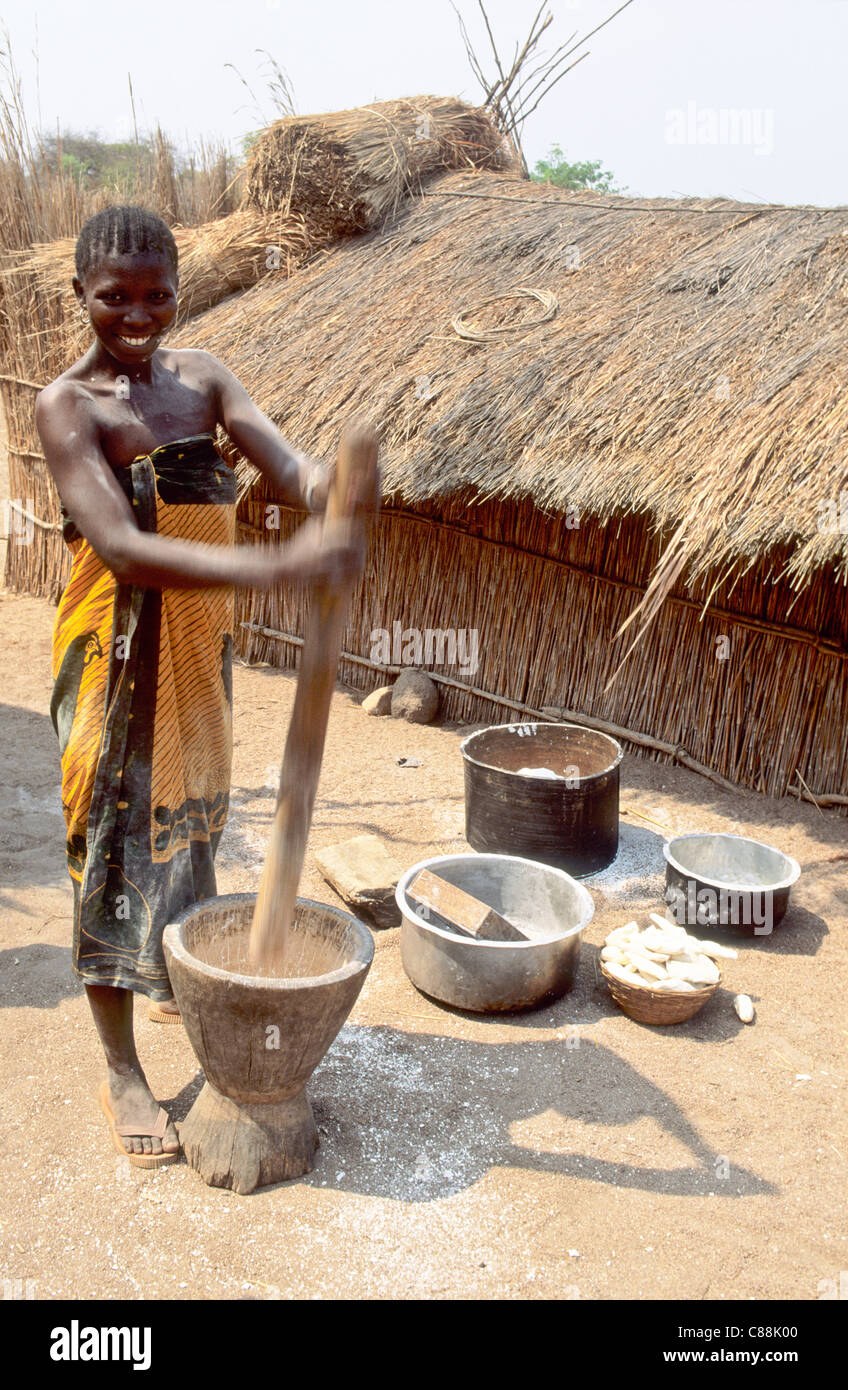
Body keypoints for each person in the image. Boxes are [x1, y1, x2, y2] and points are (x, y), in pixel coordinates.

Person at [35, 205, 363, 1167]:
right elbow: (126, 551)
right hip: (117, 658)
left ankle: (175, 975)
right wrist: (279, 571)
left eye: (157, 294)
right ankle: (123, 1068)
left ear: (180, 291)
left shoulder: (208, 380)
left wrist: (331, 487)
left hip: (199, 651)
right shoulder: (70, 408)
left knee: (191, 823)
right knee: (115, 850)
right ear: (82, 296)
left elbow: (291, 468)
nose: (138, 313)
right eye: (115, 296)